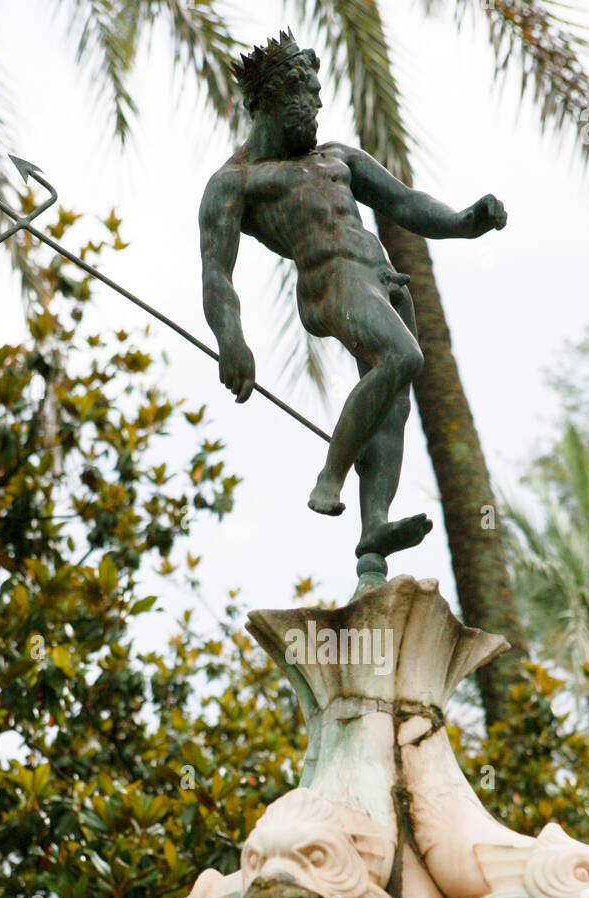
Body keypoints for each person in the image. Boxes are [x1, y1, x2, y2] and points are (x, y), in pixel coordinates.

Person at [200, 30, 507, 576]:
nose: (317, 105)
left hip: (384, 281)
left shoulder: (337, 157)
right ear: (270, 100)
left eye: (318, 94)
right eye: (305, 95)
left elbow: (405, 203)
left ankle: (374, 529)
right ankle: (330, 476)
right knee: (402, 357)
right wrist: (232, 340)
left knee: (394, 406)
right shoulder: (236, 182)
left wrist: (465, 222)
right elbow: (216, 272)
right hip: (331, 284)